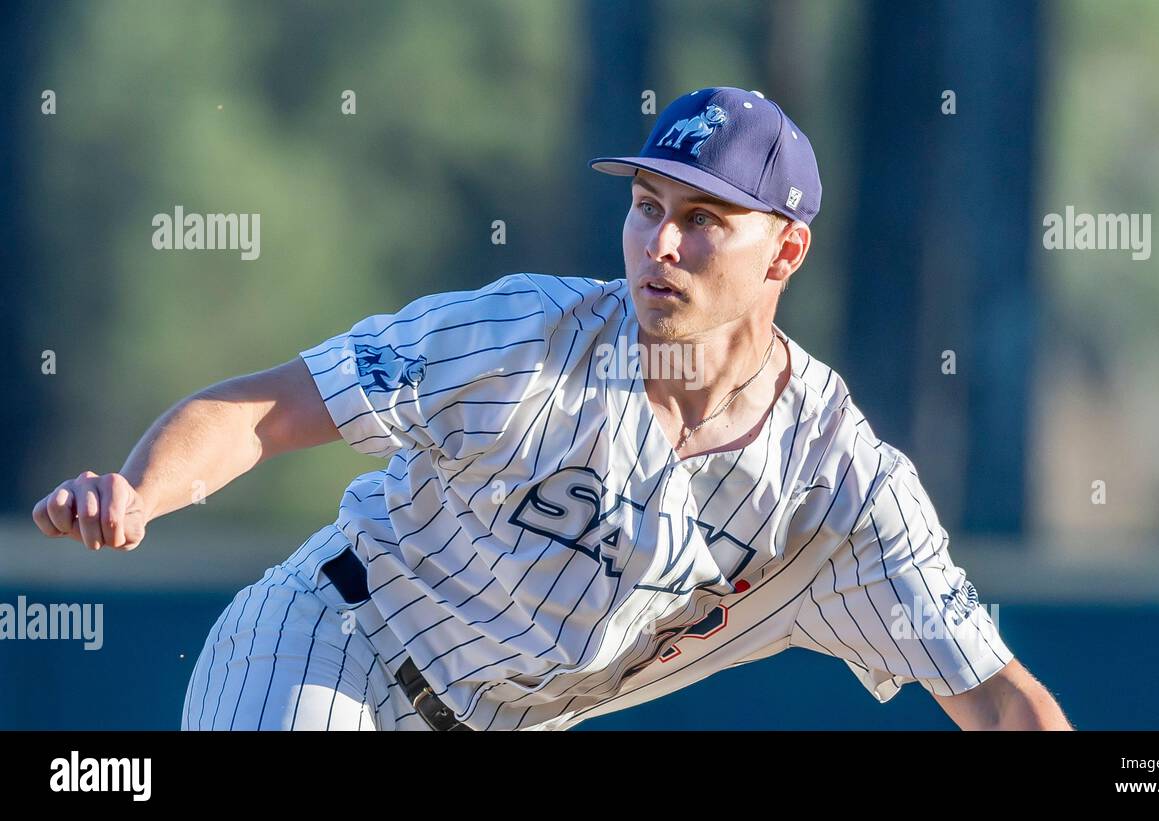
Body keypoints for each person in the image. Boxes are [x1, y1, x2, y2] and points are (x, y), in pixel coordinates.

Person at [31, 86, 1071, 731]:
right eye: (647, 205)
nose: (658, 245)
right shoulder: (523, 340)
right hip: (328, 643)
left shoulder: (839, 488)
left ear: (785, 251)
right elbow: (265, 409)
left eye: (702, 219)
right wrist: (140, 489)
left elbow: (992, 696)